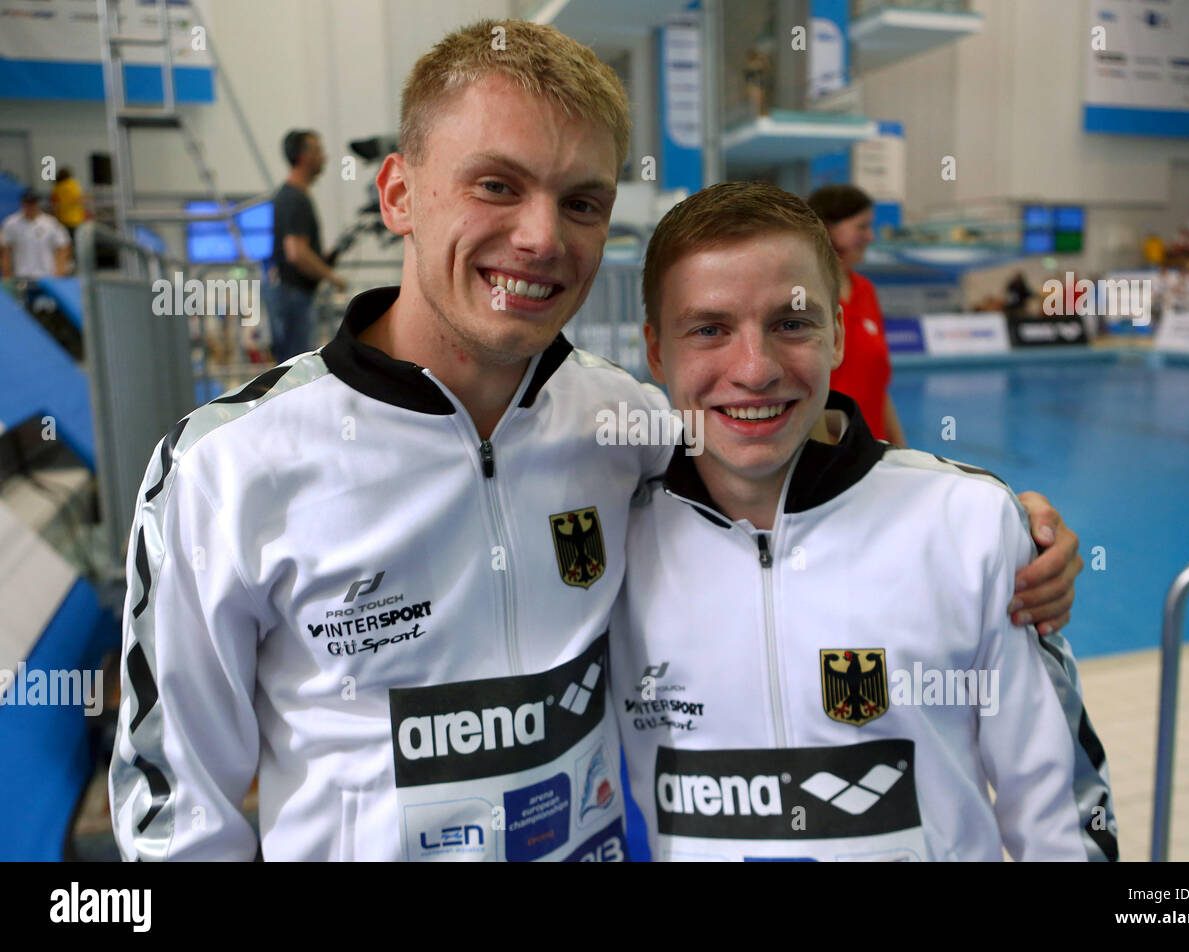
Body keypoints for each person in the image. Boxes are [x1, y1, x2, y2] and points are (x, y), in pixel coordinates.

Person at [109, 20, 1082, 863]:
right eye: (497, 185)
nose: (543, 237)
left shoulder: (626, 425)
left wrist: (999, 526)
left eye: (581, 201)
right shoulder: (227, 470)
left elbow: (794, 473)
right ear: (399, 193)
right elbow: (176, 813)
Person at [613, 182, 1115, 861]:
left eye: (791, 323)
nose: (755, 370)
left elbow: (1058, 816)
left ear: (838, 334)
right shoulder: (614, 538)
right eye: (709, 330)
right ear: (655, 351)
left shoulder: (969, 527)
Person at [807, 184, 905, 446]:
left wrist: (899, 449)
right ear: (828, 227)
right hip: (826, 452)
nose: (870, 236)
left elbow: (877, 386)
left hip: (872, 450)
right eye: (861, 227)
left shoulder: (865, 290)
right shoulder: (805, 295)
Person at [267, 129, 347, 363]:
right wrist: (332, 276)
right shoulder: (294, 198)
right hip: (294, 296)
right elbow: (296, 252)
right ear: (304, 157)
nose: (324, 157)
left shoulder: (293, 196)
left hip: (292, 294)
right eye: (318, 151)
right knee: (295, 366)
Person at [1, 188, 71, 279]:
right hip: (22, 275)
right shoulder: (11, 224)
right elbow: (6, 251)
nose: (30, 207)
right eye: (27, 203)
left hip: (47, 276)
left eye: (33, 203)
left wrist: (60, 272)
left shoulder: (51, 223)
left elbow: (62, 247)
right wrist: (7, 274)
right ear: (22, 204)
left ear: (37, 203)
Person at [50, 167, 87, 244]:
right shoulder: (72, 184)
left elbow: (54, 203)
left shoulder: (57, 187)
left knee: (65, 241)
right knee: (76, 242)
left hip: (62, 219)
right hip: (75, 219)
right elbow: (79, 200)